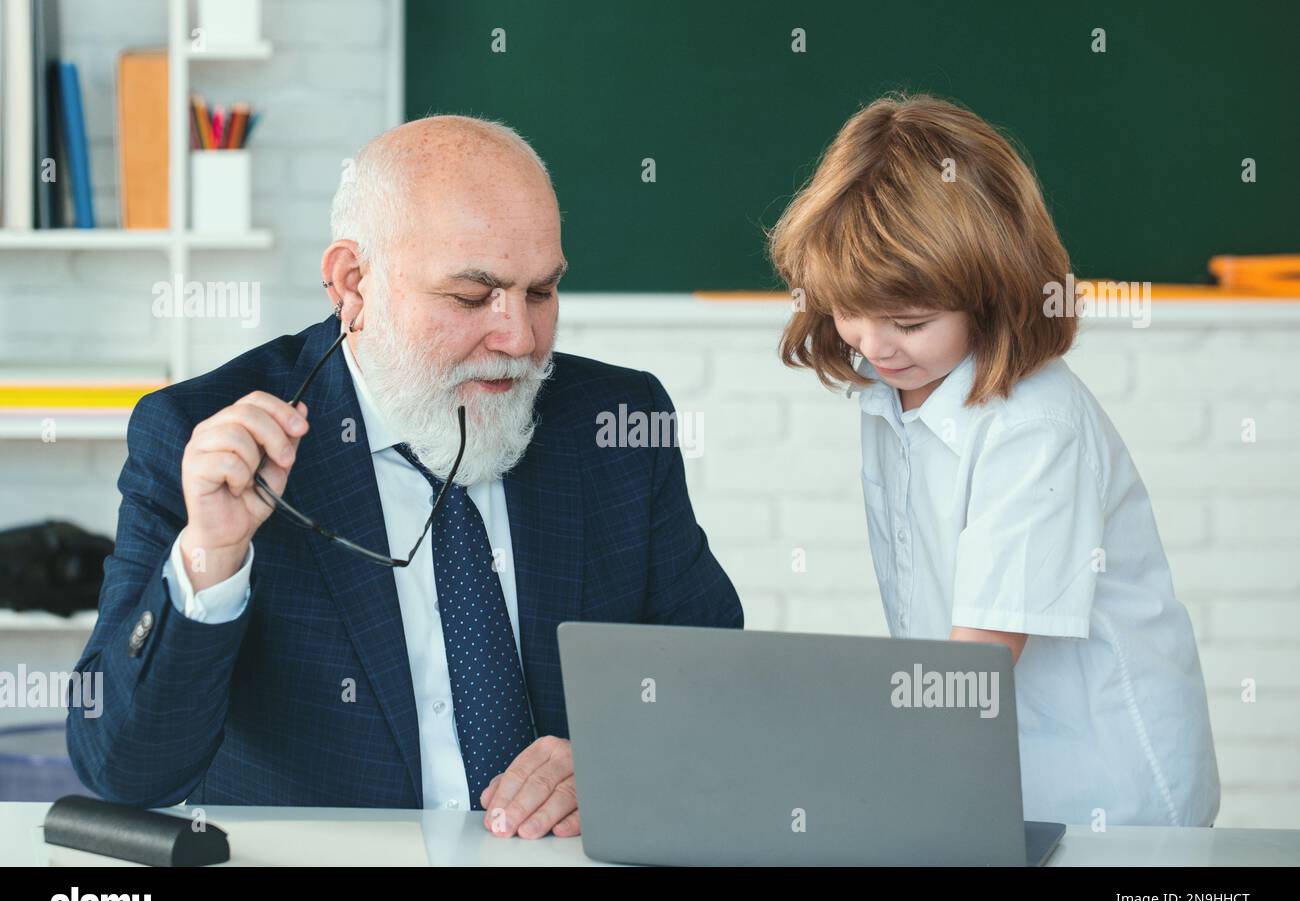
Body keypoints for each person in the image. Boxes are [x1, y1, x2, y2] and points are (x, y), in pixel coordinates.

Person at [66, 115, 743, 839]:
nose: (518, 338)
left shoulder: (617, 423)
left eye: (541, 292)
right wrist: (213, 558)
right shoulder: (198, 435)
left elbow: (719, 682)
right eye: (471, 296)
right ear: (352, 284)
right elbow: (124, 771)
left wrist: (619, 758)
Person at [767, 93, 1219, 826]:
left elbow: (972, 669)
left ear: (993, 293)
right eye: (850, 309)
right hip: (990, 773)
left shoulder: (1036, 426)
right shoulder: (896, 388)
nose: (874, 345)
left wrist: (835, 775)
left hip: (1109, 796)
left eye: (910, 322)